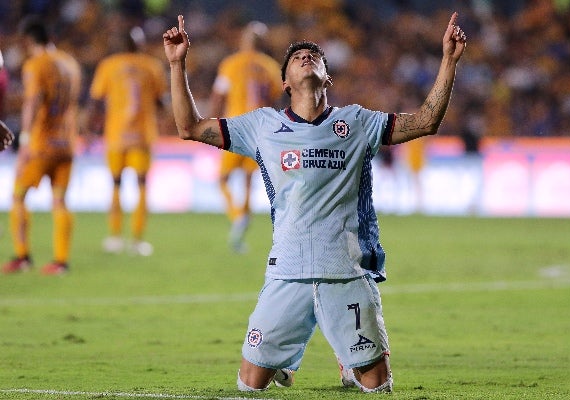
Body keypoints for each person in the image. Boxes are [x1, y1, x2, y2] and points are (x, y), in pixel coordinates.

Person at [163, 12, 466, 392]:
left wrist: (449, 62)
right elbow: (188, 127)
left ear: (328, 76)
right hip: (287, 271)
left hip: (345, 269)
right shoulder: (262, 126)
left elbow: (426, 121)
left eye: (315, 56)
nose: (307, 58)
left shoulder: (356, 122)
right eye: (296, 58)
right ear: (285, 82)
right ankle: (289, 359)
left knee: (376, 386)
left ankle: (347, 362)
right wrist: (177, 64)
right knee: (249, 385)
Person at [2, 16, 81, 275]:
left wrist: (24, 140)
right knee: (59, 201)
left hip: (41, 144)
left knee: (18, 196)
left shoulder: (36, 65)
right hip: (67, 143)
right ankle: (61, 261)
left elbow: (33, 102)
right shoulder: (70, 63)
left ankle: (23, 256)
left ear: (27, 41)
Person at [89, 26, 168, 256]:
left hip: (116, 135)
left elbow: (95, 99)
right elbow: (161, 101)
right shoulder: (151, 66)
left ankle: (114, 237)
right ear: (139, 44)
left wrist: (93, 126)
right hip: (142, 136)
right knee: (142, 185)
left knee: (116, 184)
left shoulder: (108, 65)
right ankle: (137, 239)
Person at [208, 21, 283, 253]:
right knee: (249, 182)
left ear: (244, 40)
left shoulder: (231, 64)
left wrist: (211, 123)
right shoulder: (270, 67)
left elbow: (218, 95)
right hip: (260, 131)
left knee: (223, 179)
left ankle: (237, 215)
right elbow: (277, 101)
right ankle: (241, 229)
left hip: (236, 127)